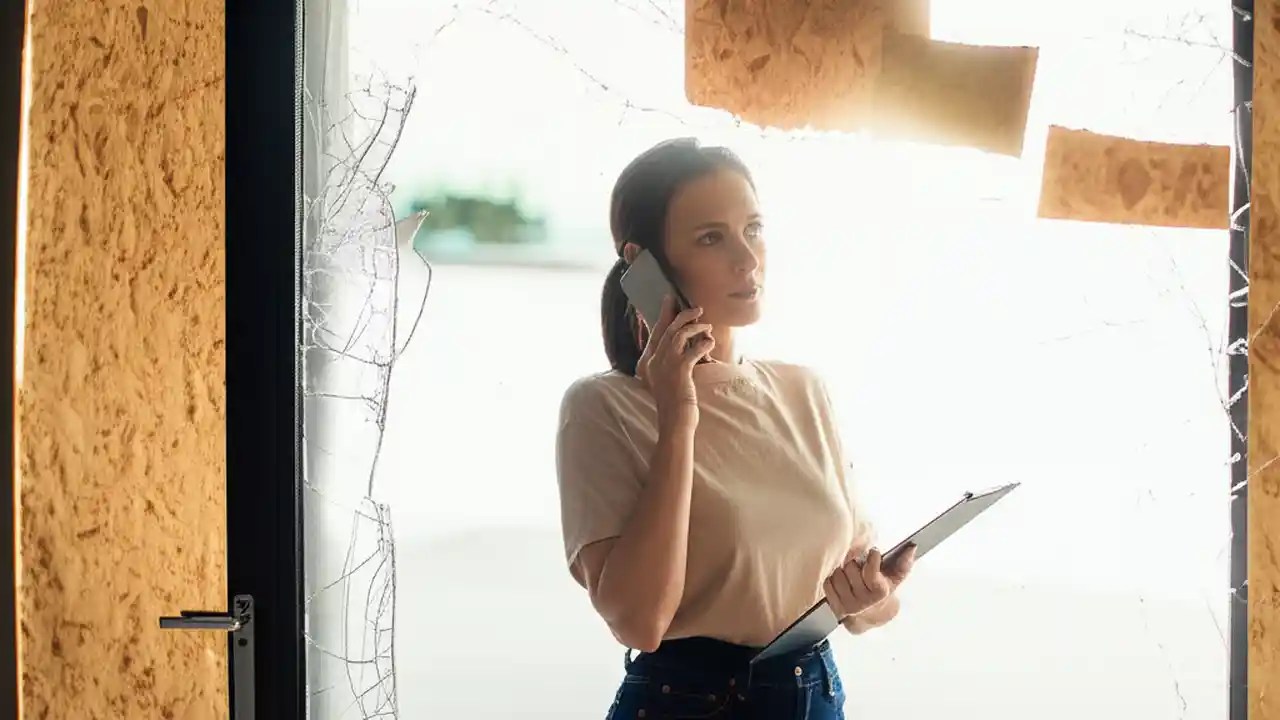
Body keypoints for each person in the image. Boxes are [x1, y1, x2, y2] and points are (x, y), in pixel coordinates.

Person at [554, 138, 916, 720]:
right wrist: (678, 414)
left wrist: (869, 598)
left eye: (753, 228)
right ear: (644, 264)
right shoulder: (602, 408)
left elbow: (869, 596)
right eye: (711, 238)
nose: (747, 259)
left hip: (813, 695)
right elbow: (639, 622)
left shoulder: (804, 390)